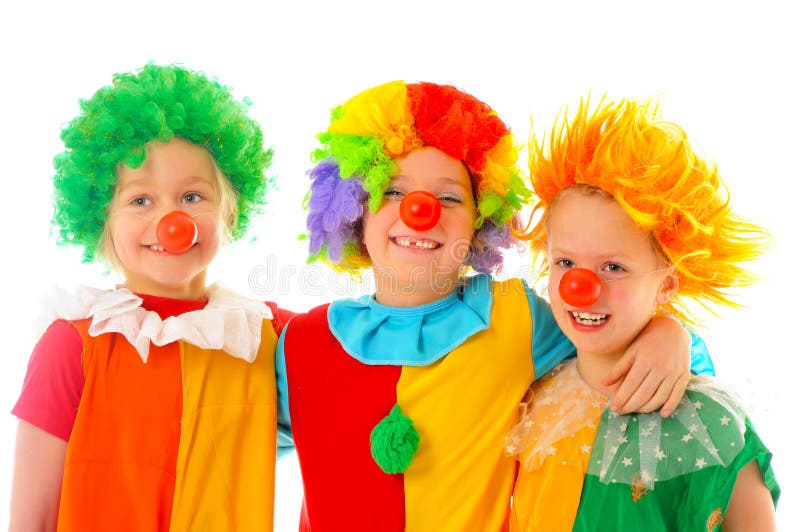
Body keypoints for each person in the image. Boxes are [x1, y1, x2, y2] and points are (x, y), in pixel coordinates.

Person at [276, 80, 712, 530]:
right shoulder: (301, 342)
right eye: (392, 192)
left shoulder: (515, 318)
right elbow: (236, 434)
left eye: (449, 198)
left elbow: (608, 336)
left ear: (482, 220)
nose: (419, 211)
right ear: (354, 210)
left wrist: (669, 334)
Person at [9, 63, 285, 531]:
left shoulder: (264, 335)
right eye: (140, 201)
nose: (171, 223)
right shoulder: (74, 346)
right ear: (102, 218)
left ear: (230, 211)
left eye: (193, 197)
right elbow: (29, 519)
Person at [506, 97, 780, 531]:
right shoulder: (532, 397)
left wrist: (673, 331)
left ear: (667, 283)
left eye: (613, 267)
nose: (581, 288)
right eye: (565, 263)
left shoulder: (712, 426)